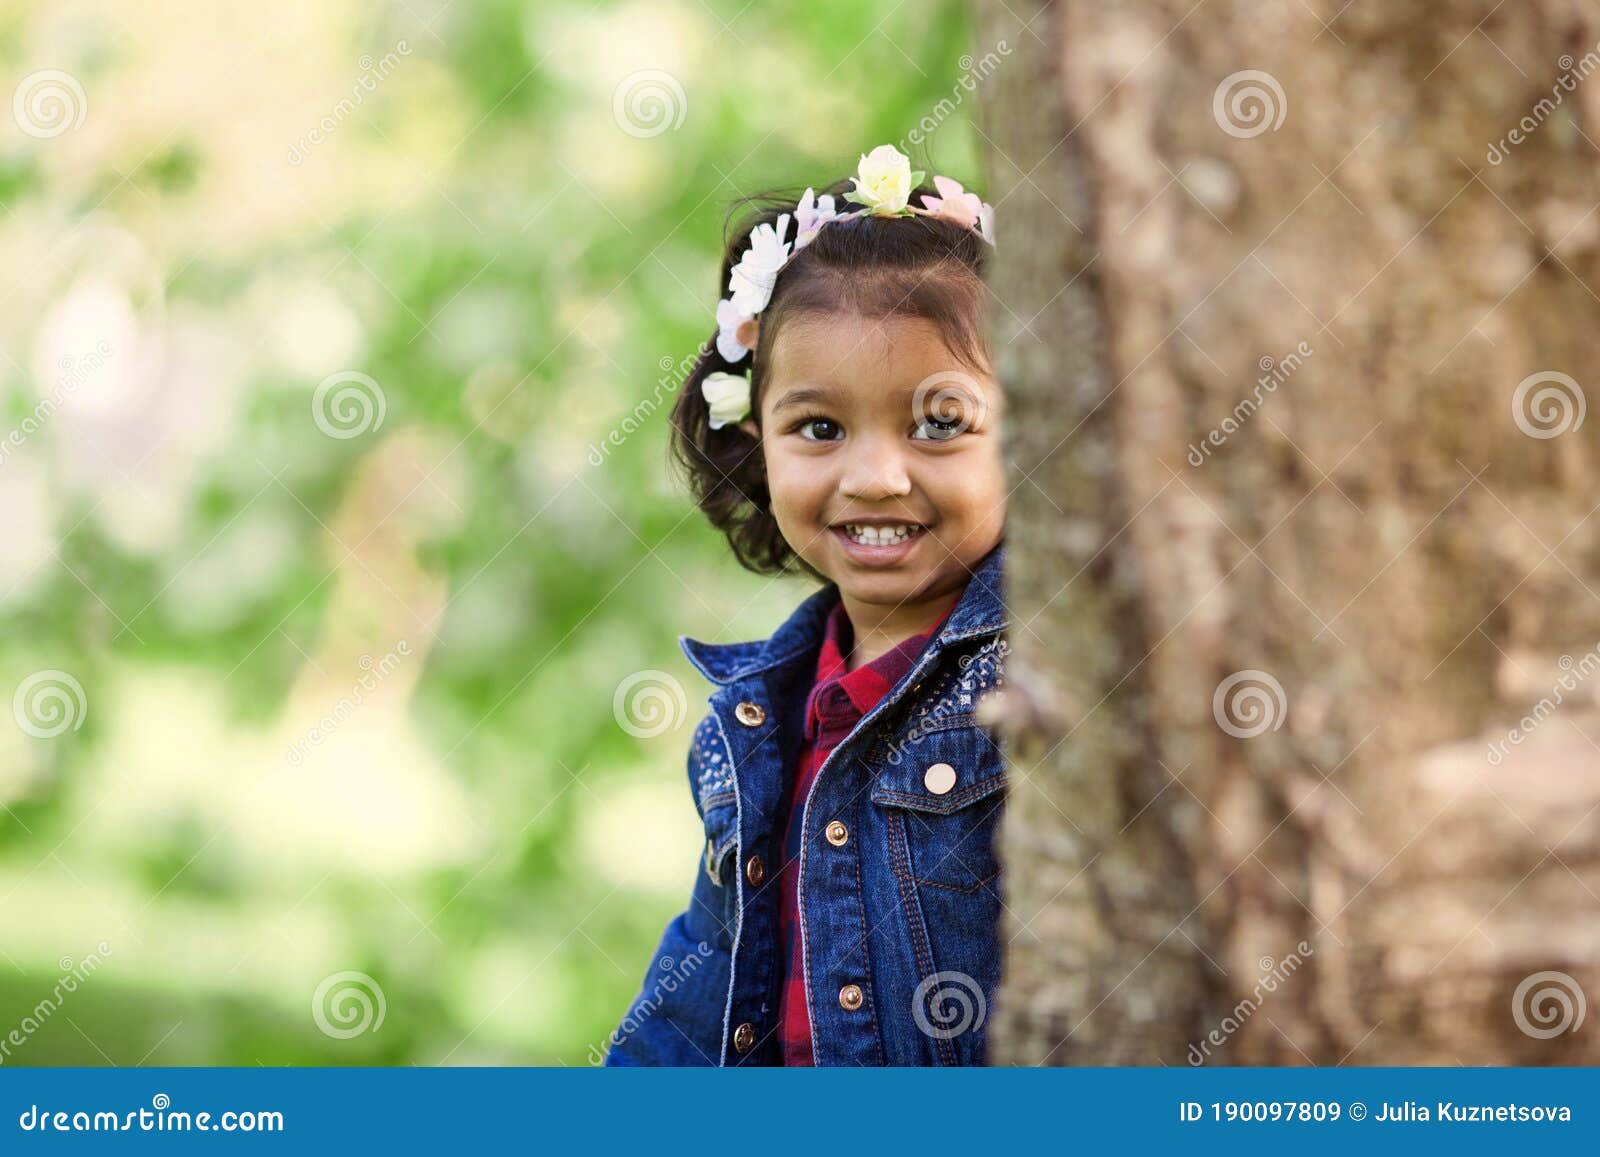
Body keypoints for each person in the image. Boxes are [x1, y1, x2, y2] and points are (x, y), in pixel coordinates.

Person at [606, 145, 1009, 1066]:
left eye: (939, 422)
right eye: (819, 428)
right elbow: (698, 996)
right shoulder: (756, 717)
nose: (874, 477)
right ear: (758, 441)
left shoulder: (1043, 679)